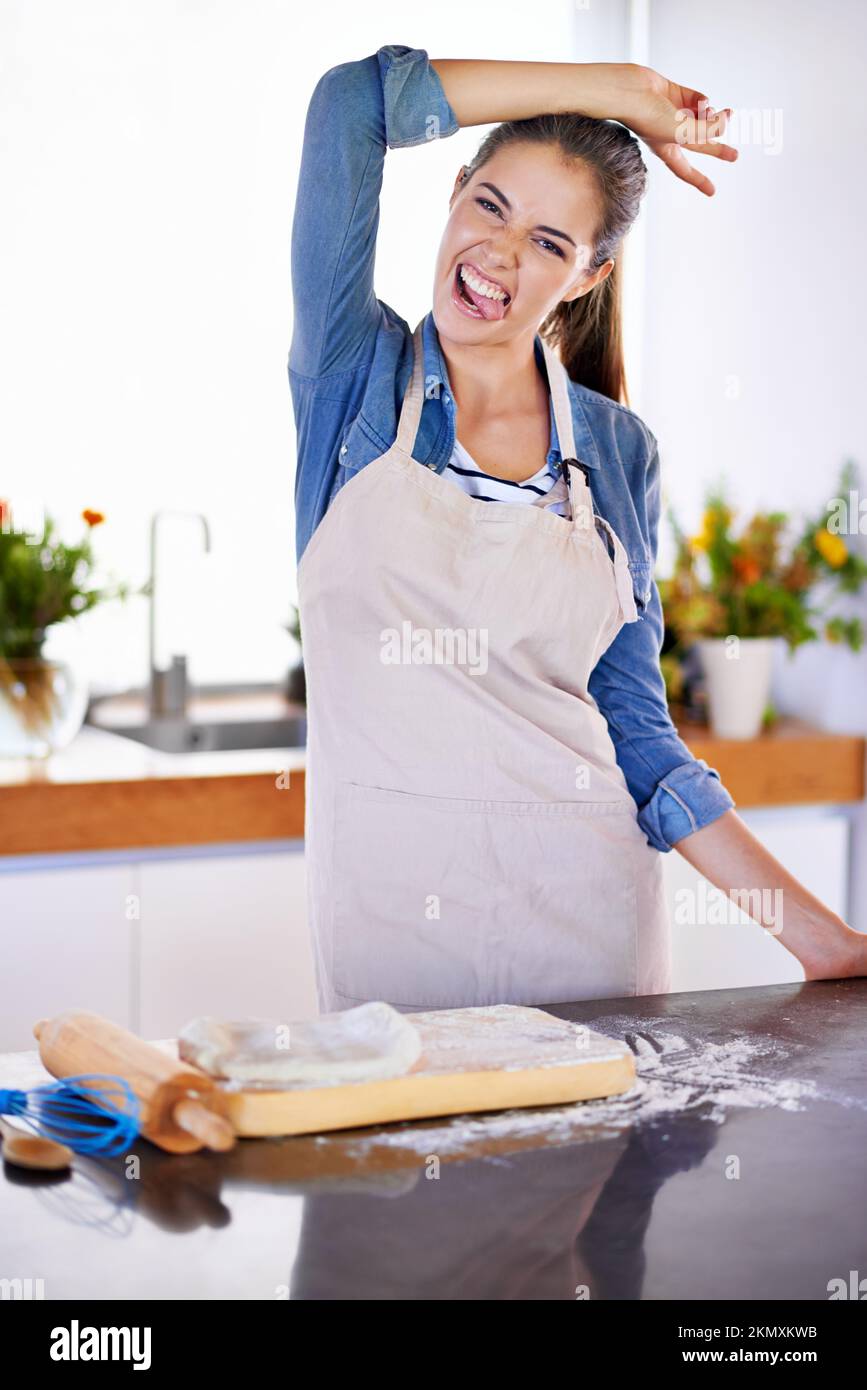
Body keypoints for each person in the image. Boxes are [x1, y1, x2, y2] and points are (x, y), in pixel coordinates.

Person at [288, 45, 865, 1013]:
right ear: (456, 190)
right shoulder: (351, 385)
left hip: (592, 943)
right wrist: (616, 93)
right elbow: (350, 107)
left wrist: (824, 938)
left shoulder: (615, 452)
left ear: (590, 275)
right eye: (492, 207)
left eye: (553, 244)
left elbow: (639, 738)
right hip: (394, 963)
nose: (503, 256)